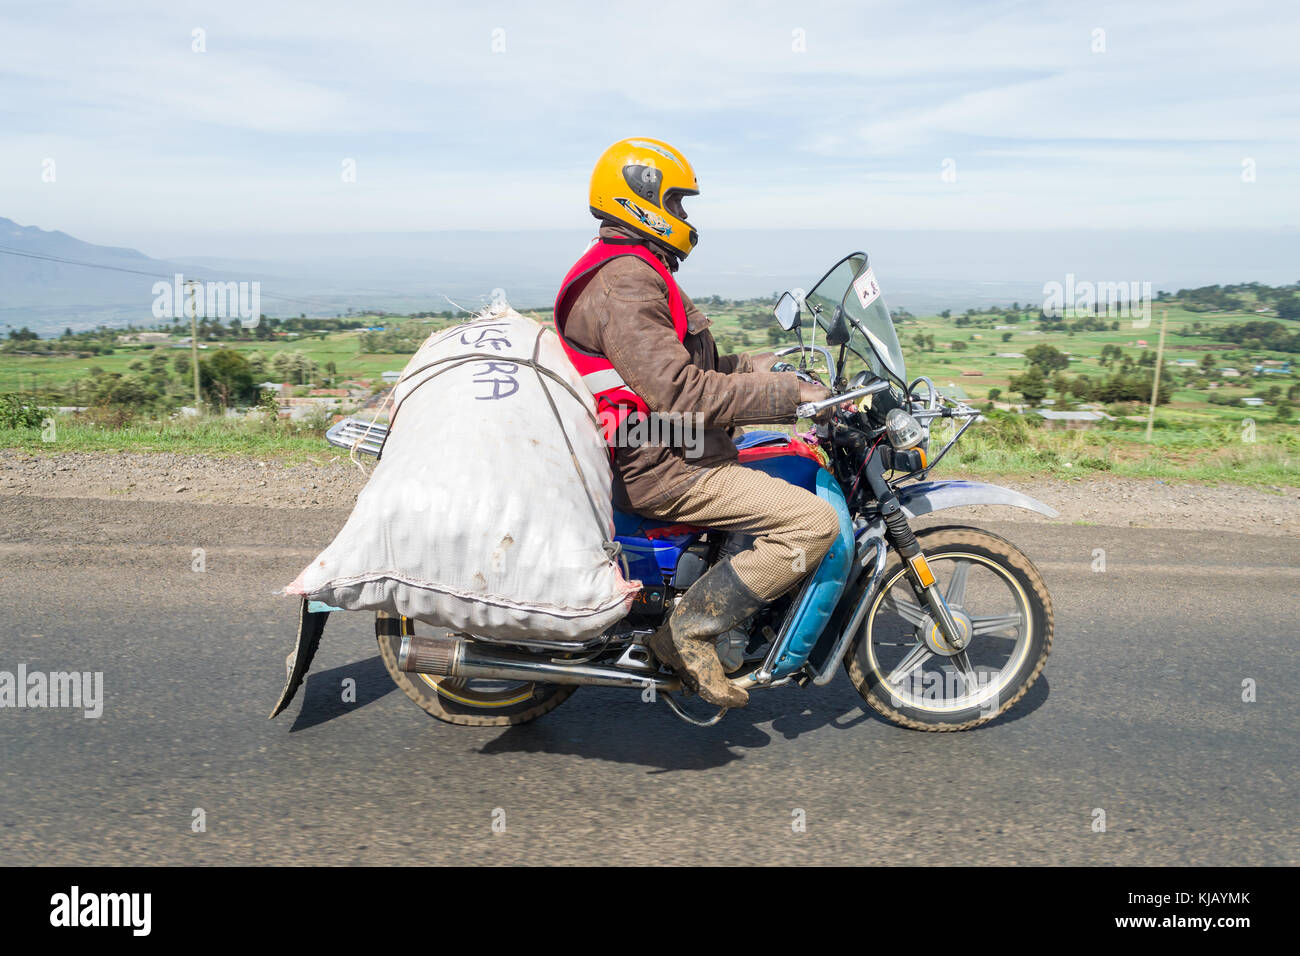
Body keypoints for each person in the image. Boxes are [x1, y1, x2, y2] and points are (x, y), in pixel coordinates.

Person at [553, 137, 839, 708]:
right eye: (678, 203)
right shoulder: (626, 282)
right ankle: (690, 632)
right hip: (664, 460)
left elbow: (686, 369)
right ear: (642, 199)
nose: (684, 217)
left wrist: (760, 366)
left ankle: (724, 611)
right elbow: (679, 392)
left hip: (667, 443)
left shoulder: (635, 271)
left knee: (778, 468)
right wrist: (789, 397)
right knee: (812, 523)